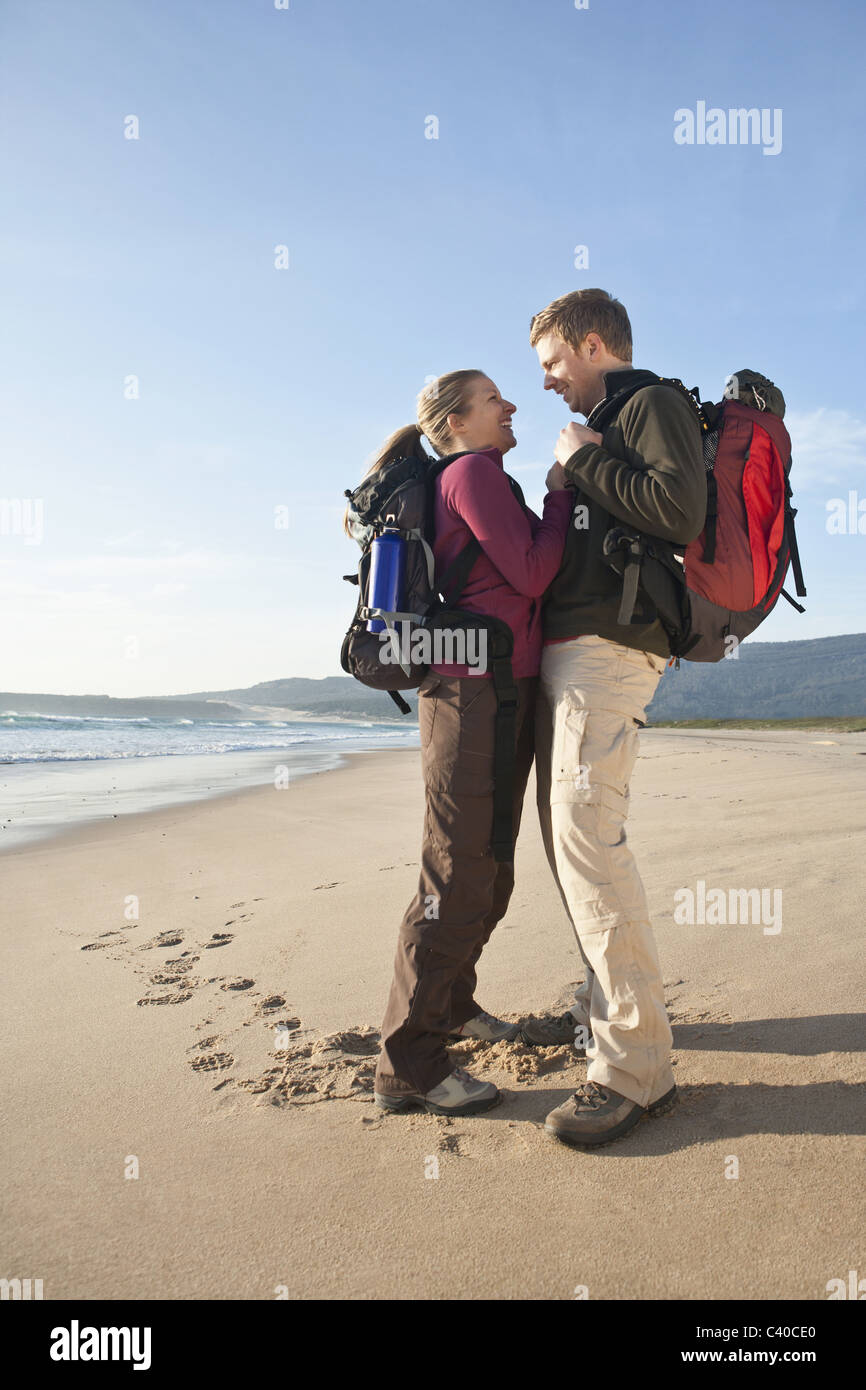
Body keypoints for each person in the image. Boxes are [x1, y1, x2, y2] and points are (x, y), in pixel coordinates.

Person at [524, 288, 706, 1146]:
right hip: (575, 654)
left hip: (609, 653)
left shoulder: (652, 402)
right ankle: (618, 1012)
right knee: (575, 849)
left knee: (591, 844)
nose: (549, 383)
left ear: (594, 345)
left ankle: (637, 1071)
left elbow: (679, 510)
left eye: (554, 363)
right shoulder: (603, 426)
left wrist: (581, 458)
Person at [369, 369, 572, 1116]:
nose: (512, 404)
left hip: (495, 693)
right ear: (455, 421)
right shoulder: (473, 474)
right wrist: (562, 489)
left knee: (488, 871)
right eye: (495, 399)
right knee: (455, 877)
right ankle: (407, 1065)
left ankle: (452, 1007)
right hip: (469, 695)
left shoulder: (481, 475)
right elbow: (533, 569)